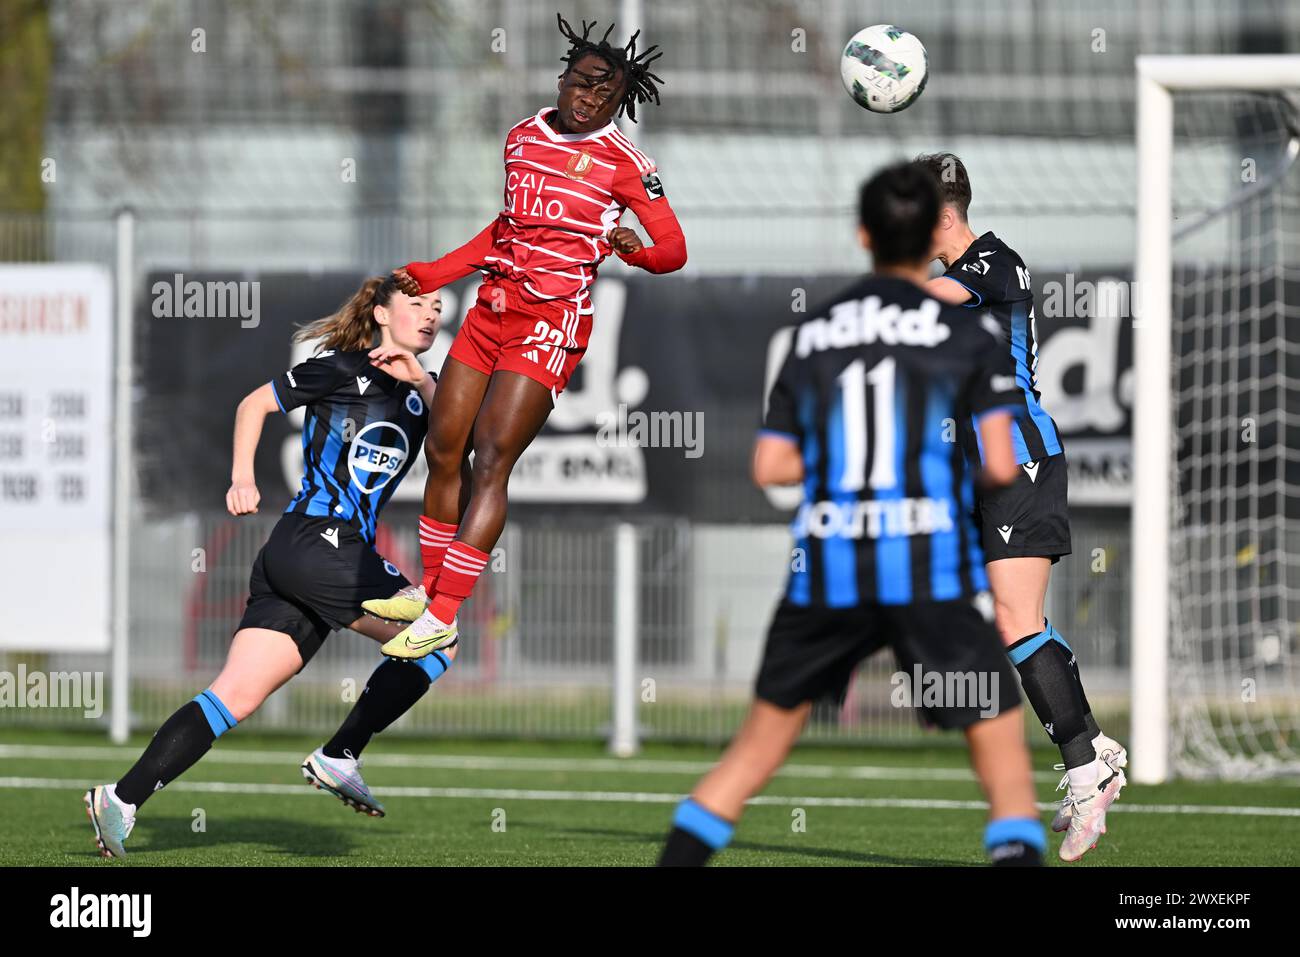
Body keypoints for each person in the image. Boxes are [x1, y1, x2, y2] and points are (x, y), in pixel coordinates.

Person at [657, 162, 1043, 867]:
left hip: (830, 572)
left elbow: (770, 467)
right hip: (929, 568)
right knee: (1007, 777)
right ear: (931, 231)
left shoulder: (816, 335)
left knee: (747, 760)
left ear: (862, 233)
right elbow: (997, 464)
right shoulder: (968, 337)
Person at [360, 14, 686, 668]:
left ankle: (445, 617)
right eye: (585, 83)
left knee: (490, 455)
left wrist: (637, 251)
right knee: (442, 444)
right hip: (490, 311)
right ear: (563, 78)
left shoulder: (627, 164)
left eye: (608, 94)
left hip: (551, 320)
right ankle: (431, 593)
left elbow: (674, 249)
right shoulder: (522, 136)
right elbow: (502, 231)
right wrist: (436, 272)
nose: (592, 98)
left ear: (620, 104)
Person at [84, 276, 446, 858]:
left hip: (304, 556)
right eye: (416, 304)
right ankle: (341, 752)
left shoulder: (425, 392)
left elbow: (465, 438)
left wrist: (423, 381)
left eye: (437, 307)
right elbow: (254, 403)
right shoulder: (340, 369)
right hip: (319, 542)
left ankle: (119, 800)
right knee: (436, 640)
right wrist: (242, 476)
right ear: (380, 312)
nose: (429, 315)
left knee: (234, 698)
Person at [916, 152, 1125, 861]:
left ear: (943, 215)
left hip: (1022, 459)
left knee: (1015, 619)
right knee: (1017, 618)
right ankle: (1090, 747)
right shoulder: (952, 277)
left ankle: (1085, 767)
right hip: (988, 466)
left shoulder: (993, 262)